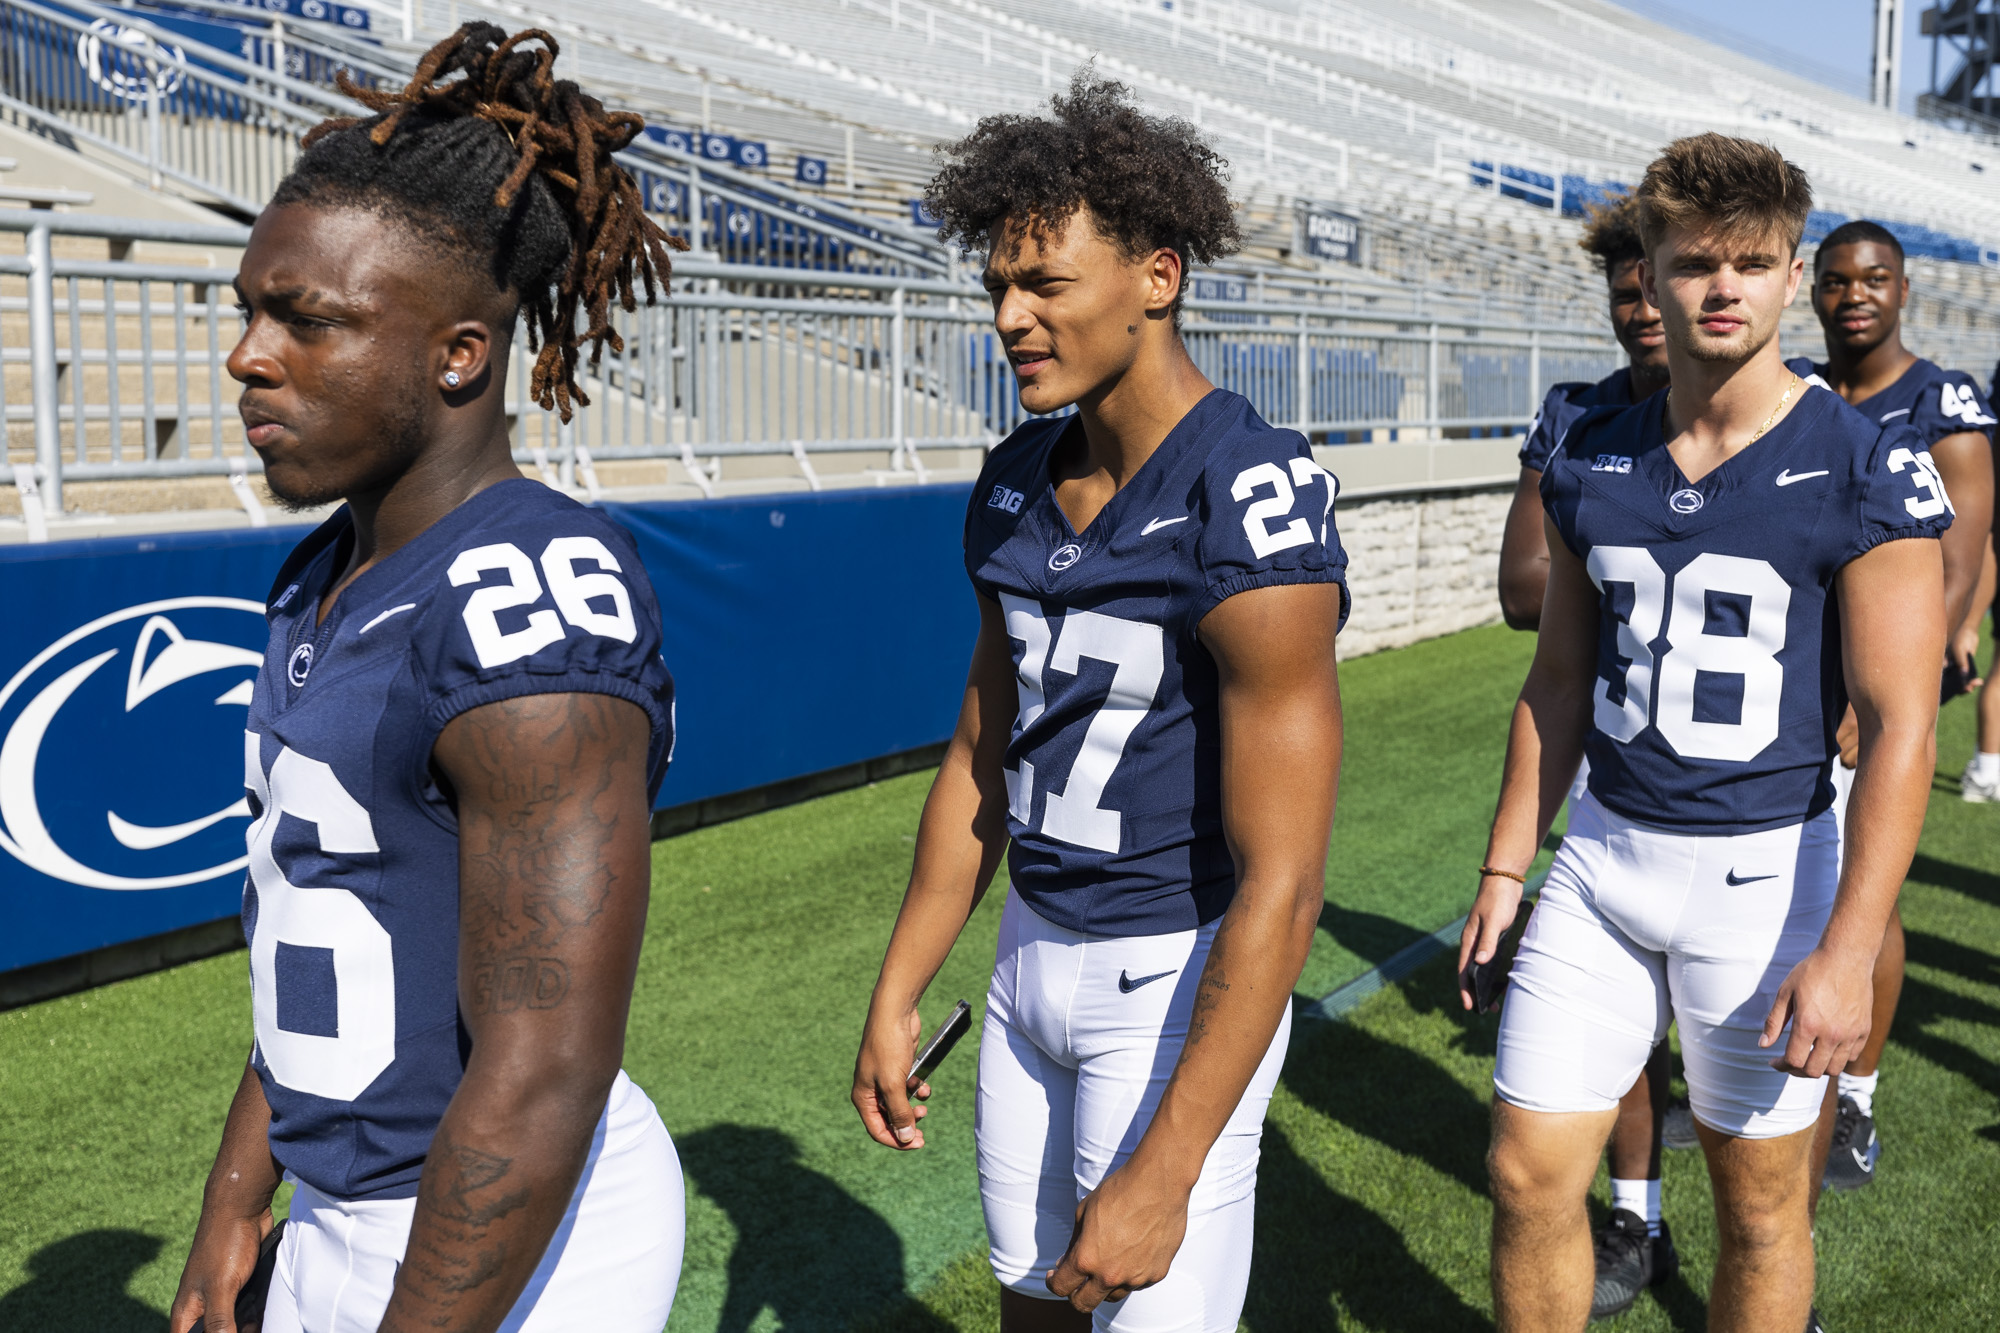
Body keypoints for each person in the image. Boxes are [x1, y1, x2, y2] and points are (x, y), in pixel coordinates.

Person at [168, 26, 686, 1333]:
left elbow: (544, 1061)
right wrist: (238, 1194)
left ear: (461, 355)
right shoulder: (317, 576)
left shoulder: (530, 591)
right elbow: (315, 923)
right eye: (250, 309)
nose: (249, 355)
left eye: (309, 320)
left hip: (519, 1218)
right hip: (346, 1202)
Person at [850, 76, 1346, 1331]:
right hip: (1027, 962)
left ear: (1156, 276)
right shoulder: (1016, 473)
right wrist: (903, 980)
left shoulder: (1249, 491)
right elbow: (979, 748)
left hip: (1172, 979)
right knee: (1033, 1310)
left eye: (1045, 285)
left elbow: (1283, 881)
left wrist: (1170, 1162)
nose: (1011, 318)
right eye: (997, 291)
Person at [1460, 134, 1947, 1333]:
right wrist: (1503, 864)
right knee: (1524, 1176)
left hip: (1762, 873)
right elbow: (1558, 677)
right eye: (1693, 264)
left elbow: (1897, 725)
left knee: (1761, 1212)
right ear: (1652, 276)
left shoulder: (1864, 460)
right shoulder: (1591, 448)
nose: (1720, 286)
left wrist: (1845, 951)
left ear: (1791, 278)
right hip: (1604, 858)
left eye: (1751, 262)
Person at [1495, 191, 1681, 1322]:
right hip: (1611, 754)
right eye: (1621, 288)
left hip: (1762, 768)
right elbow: (1523, 590)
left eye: (1650, 279)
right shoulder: (1575, 417)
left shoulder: (1784, 410)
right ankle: (1637, 1214)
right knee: (1615, 1024)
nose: (1640, 304)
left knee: (1752, 1079)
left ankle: (1778, 1254)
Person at [1787, 219, 1996, 1195]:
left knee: (1867, 889)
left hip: (1882, 684)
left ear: (1902, 289)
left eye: (1873, 278)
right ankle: (1760, 1064)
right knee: (1780, 875)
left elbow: (1957, 564)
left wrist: (1889, 696)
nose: (1853, 295)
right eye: (1835, 280)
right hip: (1789, 674)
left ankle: (1856, 1092)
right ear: (1812, 290)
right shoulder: (1793, 386)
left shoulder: (1941, 399)